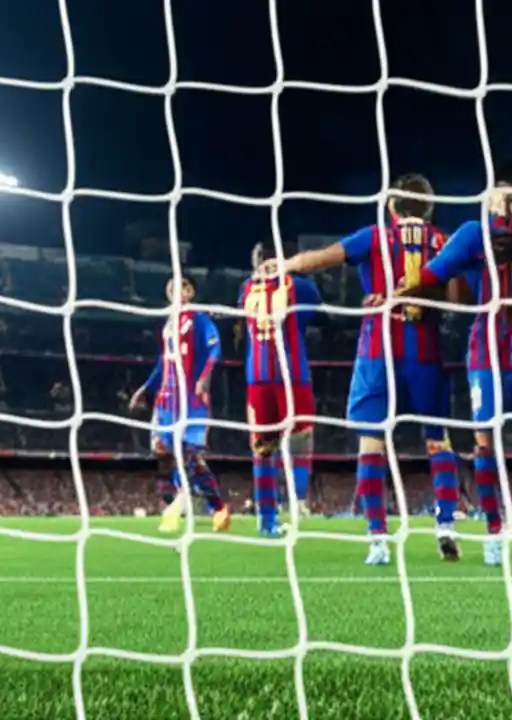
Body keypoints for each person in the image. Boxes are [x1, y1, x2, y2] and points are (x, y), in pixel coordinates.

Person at [259, 173, 460, 565]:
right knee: (438, 441)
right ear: (429, 207)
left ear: (391, 206)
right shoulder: (443, 241)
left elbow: (320, 259)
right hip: (427, 351)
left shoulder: (375, 237)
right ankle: (447, 526)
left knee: (372, 443)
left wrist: (285, 265)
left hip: (377, 351)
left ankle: (378, 540)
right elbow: (456, 296)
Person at [396, 155, 512, 566]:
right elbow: (434, 273)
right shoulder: (474, 234)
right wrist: (399, 294)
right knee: (485, 443)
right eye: (510, 195)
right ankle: (494, 530)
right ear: (493, 196)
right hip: (486, 350)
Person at [130, 277, 230, 533]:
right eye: (172, 288)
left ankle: (194, 506)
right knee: (163, 452)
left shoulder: (198, 318)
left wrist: (204, 378)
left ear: (191, 291)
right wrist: (145, 388)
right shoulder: (169, 324)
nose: (177, 292)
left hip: (192, 400)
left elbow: (215, 348)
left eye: (183, 287)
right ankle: (200, 505)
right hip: (166, 401)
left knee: (188, 457)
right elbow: (164, 362)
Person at [240, 242, 322, 536]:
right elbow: (317, 302)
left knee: (263, 449)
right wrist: (294, 267)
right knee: (300, 442)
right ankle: (297, 508)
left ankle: (266, 520)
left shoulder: (246, 288)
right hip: (292, 374)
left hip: (257, 375)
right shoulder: (296, 286)